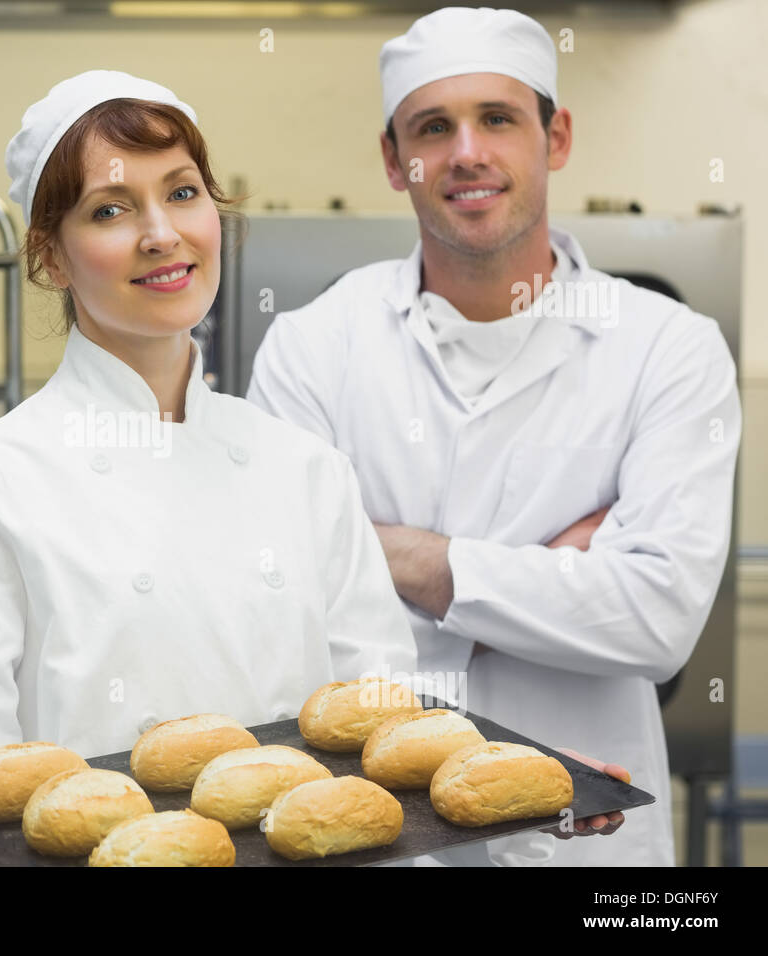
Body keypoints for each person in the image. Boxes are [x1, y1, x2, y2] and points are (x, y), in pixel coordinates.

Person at [0, 70, 446, 866]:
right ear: (51, 258)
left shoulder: (305, 470)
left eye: (182, 193)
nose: (162, 234)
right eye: (110, 210)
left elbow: (383, 730)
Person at [248, 7, 741, 866]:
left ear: (556, 138)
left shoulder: (669, 348)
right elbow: (281, 611)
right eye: (432, 127)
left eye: (498, 119)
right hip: (378, 837)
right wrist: (553, 573)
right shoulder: (313, 344)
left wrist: (391, 557)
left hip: (592, 843)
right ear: (394, 160)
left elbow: (657, 622)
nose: (466, 153)